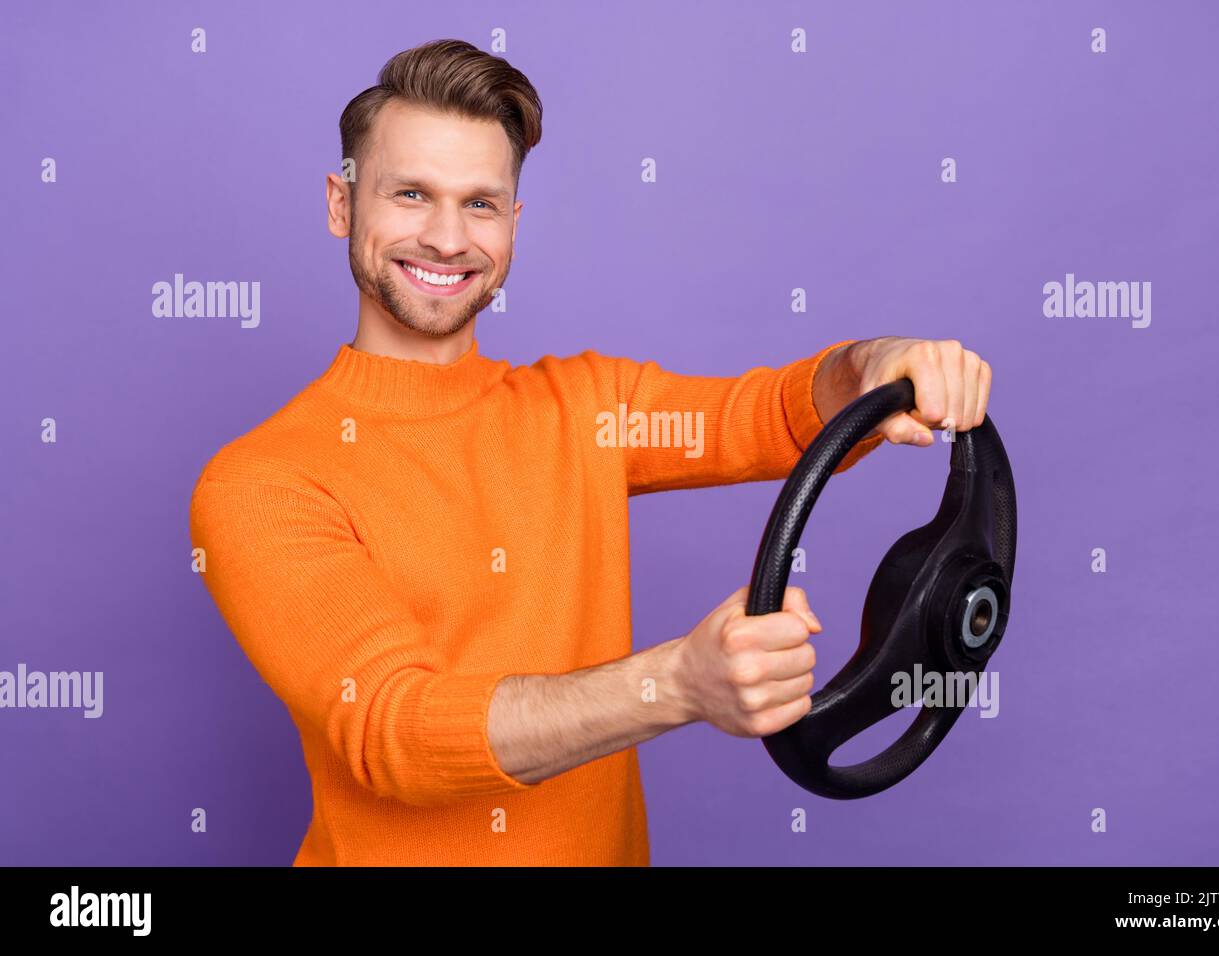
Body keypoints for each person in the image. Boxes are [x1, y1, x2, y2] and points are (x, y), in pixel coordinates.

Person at [189, 39, 992, 866]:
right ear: (340, 202)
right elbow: (399, 733)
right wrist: (676, 683)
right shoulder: (261, 483)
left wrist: (879, 361)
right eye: (410, 194)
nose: (444, 237)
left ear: (512, 224)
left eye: (480, 205)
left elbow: (778, 414)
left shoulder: (589, 409)